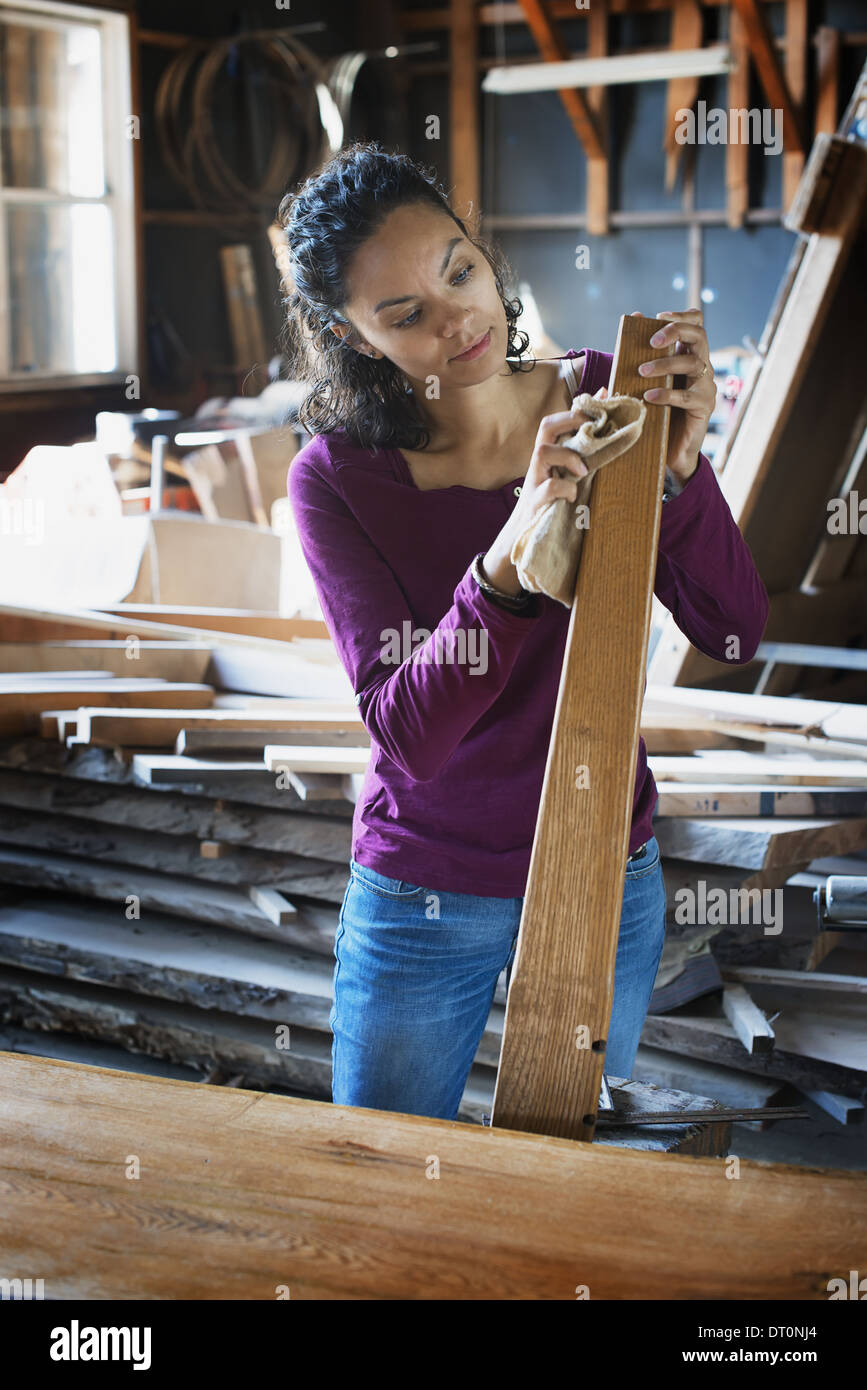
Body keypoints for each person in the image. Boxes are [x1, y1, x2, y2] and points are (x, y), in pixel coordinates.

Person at [279, 142, 769, 1121]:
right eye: (404, 313)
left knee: (569, 1188)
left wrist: (678, 474)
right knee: (382, 1185)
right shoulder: (338, 479)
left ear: (481, 250)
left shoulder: (604, 396)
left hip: (601, 870)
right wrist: (511, 551)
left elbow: (735, 629)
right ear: (354, 335)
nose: (460, 318)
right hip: (425, 882)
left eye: (458, 269)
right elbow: (410, 736)